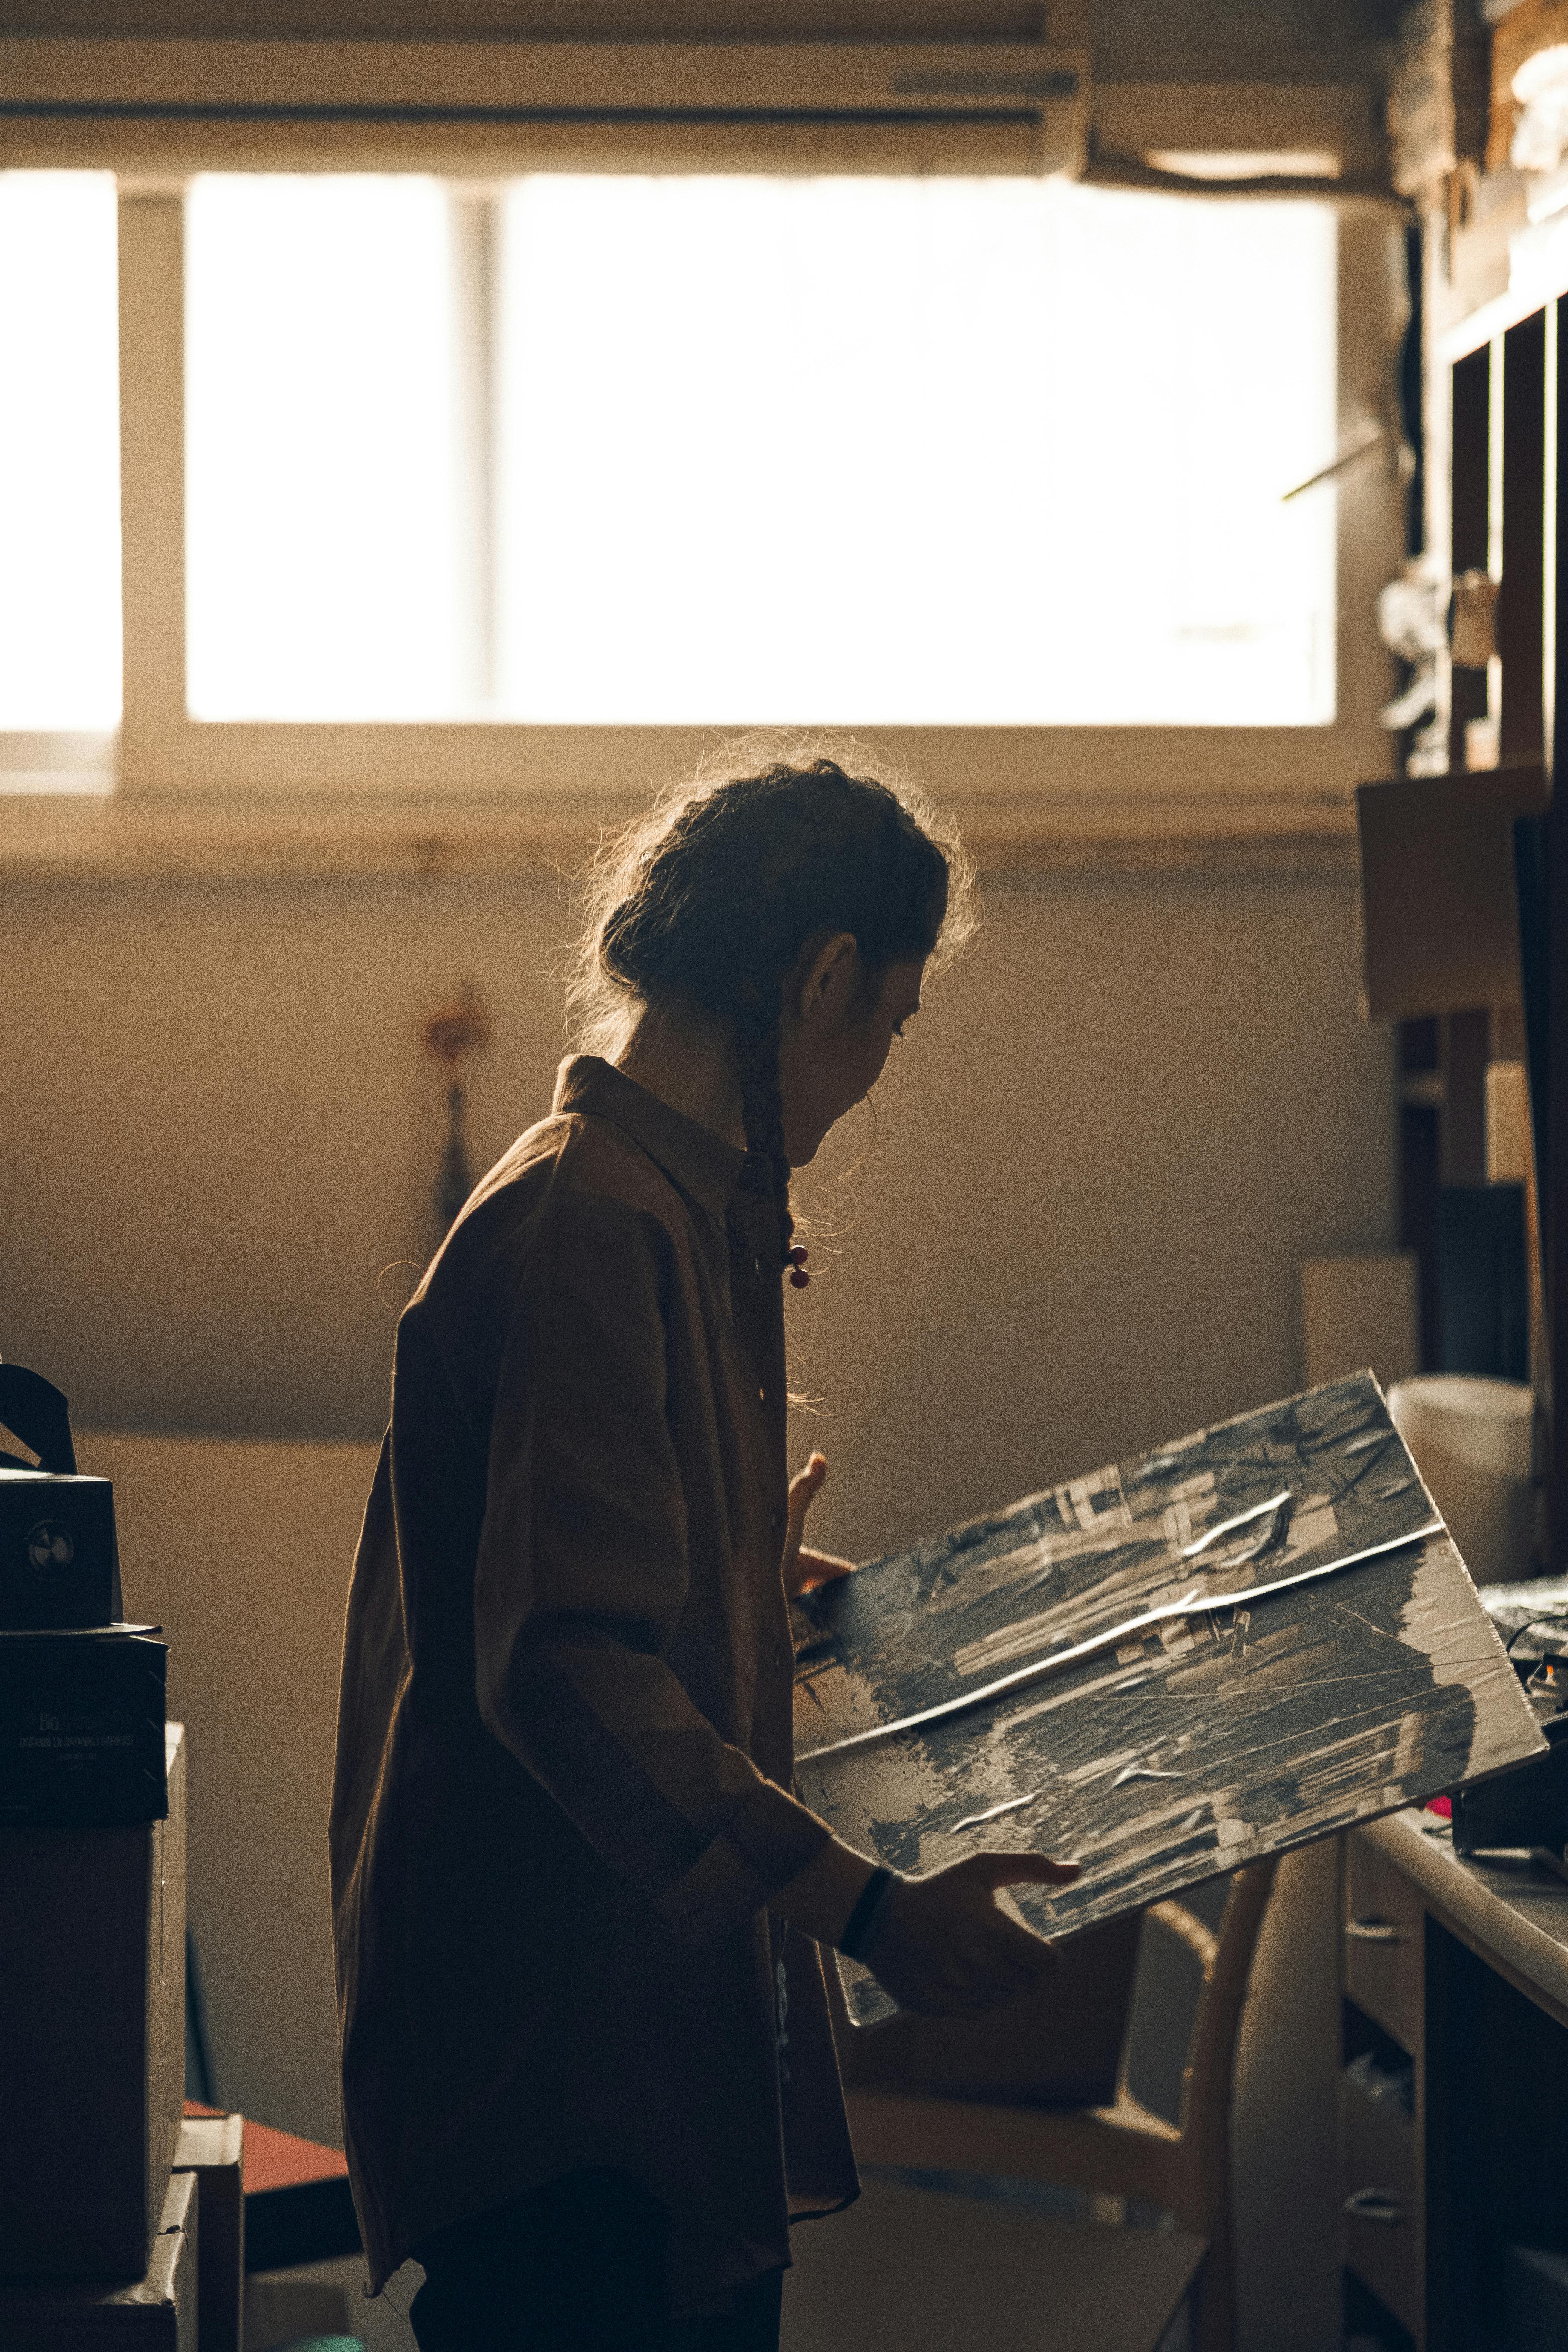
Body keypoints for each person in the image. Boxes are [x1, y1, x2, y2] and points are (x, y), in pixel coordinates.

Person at [329, 745, 1080, 2352]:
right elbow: (562, 1668)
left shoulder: (652, 1206)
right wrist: (873, 1913)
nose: (874, 1068)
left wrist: (738, 1583)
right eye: (887, 1018)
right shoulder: (594, 1225)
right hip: (568, 2077)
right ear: (820, 979)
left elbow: (567, 1585)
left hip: (607, 2051)